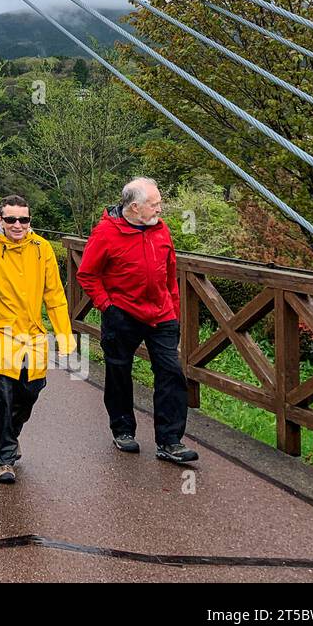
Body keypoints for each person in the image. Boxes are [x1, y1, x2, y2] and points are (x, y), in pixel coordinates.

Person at [77, 177, 198, 464]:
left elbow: (170, 271)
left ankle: (170, 441)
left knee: (171, 373)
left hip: (162, 314)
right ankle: (123, 430)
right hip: (122, 314)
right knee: (119, 372)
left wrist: (174, 310)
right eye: (154, 205)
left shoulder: (161, 229)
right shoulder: (106, 232)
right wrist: (107, 306)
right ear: (134, 207)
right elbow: (87, 274)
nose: (160, 209)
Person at [0, 195, 75, 484]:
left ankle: (9, 436)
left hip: (33, 337)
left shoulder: (42, 249)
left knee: (30, 392)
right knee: (1, 399)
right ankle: (3, 457)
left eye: (23, 219)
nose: (17, 225)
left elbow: (54, 295)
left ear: (29, 220)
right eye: (11, 219)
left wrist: (64, 335)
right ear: (0, 220)